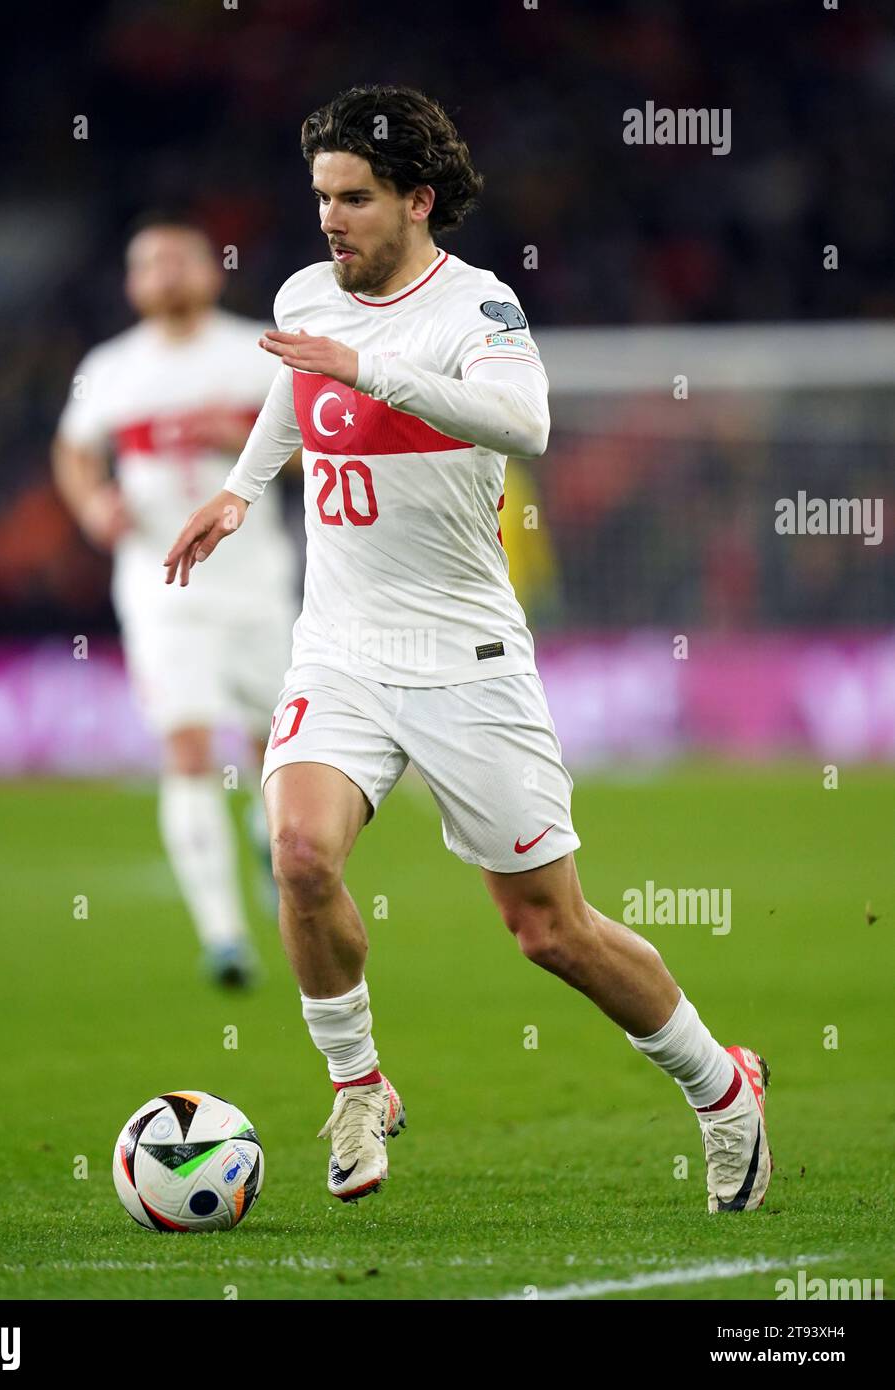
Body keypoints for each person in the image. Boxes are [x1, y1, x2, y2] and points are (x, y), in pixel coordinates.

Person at [164, 87, 772, 1211]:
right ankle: (358, 1083)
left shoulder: (479, 308)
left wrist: (370, 372)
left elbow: (525, 423)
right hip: (338, 646)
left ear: (417, 200)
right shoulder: (311, 291)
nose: (331, 220)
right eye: (321, 199)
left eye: (354, 199)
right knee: (299, 855)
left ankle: (721, 1087)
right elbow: (294, 391)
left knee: (550, 930)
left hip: (466, 659)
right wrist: (243, 491)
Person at [53, 216, 297, 987]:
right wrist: (93, 504)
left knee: (277, 756)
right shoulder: (111, 367)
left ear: (211, 271)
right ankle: (225, 938)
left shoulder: (260, 350)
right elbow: (73, 450)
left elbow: (319, 455)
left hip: (258, 588)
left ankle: (270, 843)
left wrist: (249, 438)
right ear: (131, 284)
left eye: (178, 259)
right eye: (148, 263)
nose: (163, 273)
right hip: (163, 592)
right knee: (188, 747)